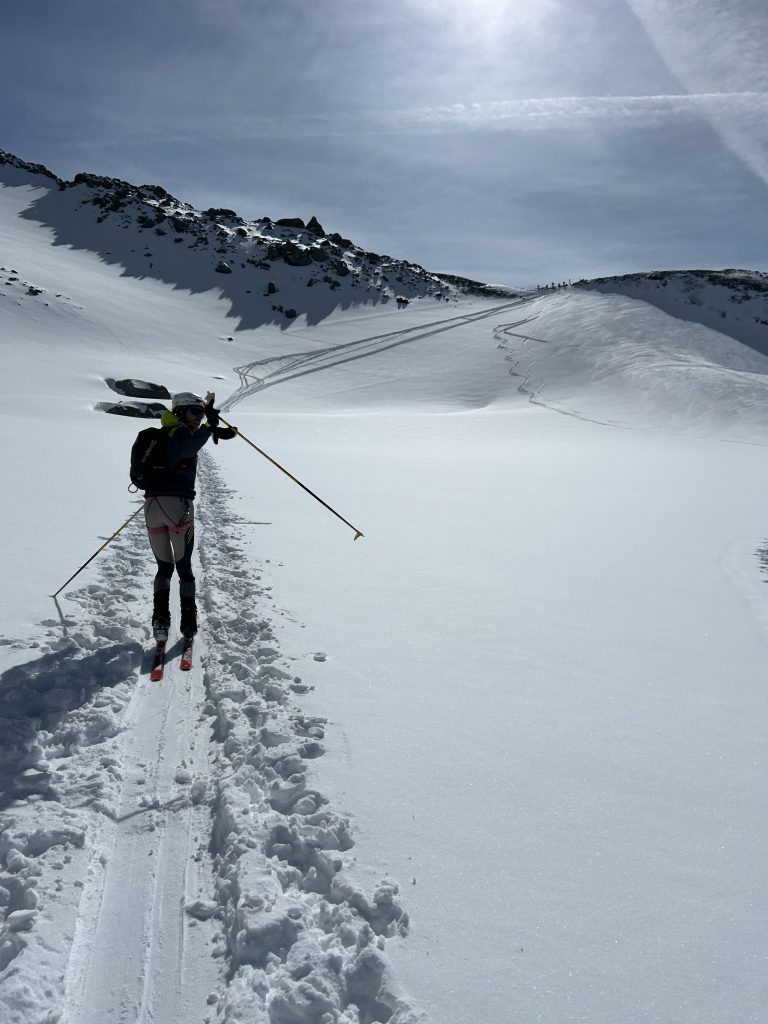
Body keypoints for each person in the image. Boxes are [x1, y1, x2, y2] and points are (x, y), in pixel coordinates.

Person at [142, 391, 237, 641]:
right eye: (195, 412)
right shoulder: (181, 433)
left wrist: (211, 428)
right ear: (180, 411)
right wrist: (209, 426)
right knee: (184, 567)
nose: (198, 417)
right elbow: (188, 448)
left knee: (164, 567)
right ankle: (188, 623)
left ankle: (160, 621)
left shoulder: (163, 434)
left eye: (201, 414)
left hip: (152, 506)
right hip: (178, 507)